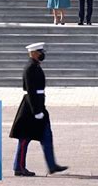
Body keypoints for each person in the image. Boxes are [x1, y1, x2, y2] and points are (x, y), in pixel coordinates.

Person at [9, 42, 68, 176]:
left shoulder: (35, 66)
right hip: (30, 109)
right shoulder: (30, 67)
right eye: (40, 52)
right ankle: (18, 167)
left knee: (46, 135)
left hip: (39, 106)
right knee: (24, 139)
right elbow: (31, 91)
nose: (42, 54)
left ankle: (52, 165)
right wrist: (36, 111)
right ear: (34, 53)